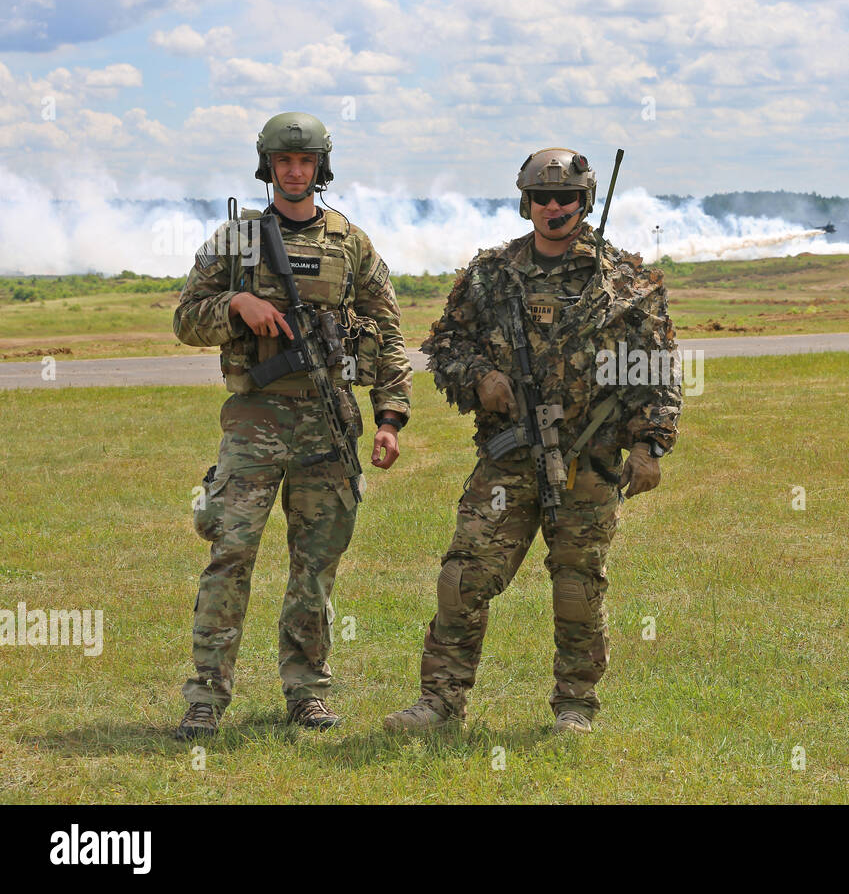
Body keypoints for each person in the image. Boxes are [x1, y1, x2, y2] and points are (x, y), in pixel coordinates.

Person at [384, 147, 681, 735]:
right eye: (542, 197)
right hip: (509, 460)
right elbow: (443, 345)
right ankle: (440, 705)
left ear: (585, 201)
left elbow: (656, 369)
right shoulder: (491, 275)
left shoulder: (624, 282)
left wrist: (650, 446)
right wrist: (480, 377)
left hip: (589, 462)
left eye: (566, 198)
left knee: (578, 586)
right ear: (526, 202)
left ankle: (575, 705)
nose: (554, 207)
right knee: (463, 577)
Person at [172, 111, 412, 738]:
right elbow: (186, 318)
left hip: (327, 425)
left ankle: (306, 691)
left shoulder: (349, 242)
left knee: (315, 566)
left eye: (305, 162)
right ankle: (205, 697)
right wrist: (235, 304)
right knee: (230, 554)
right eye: (284, 161)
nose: (295, 171)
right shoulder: (238, 240)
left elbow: (386, 332)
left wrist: (390, 418)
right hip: (254, 421)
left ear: (321, 168)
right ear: (268, 166)